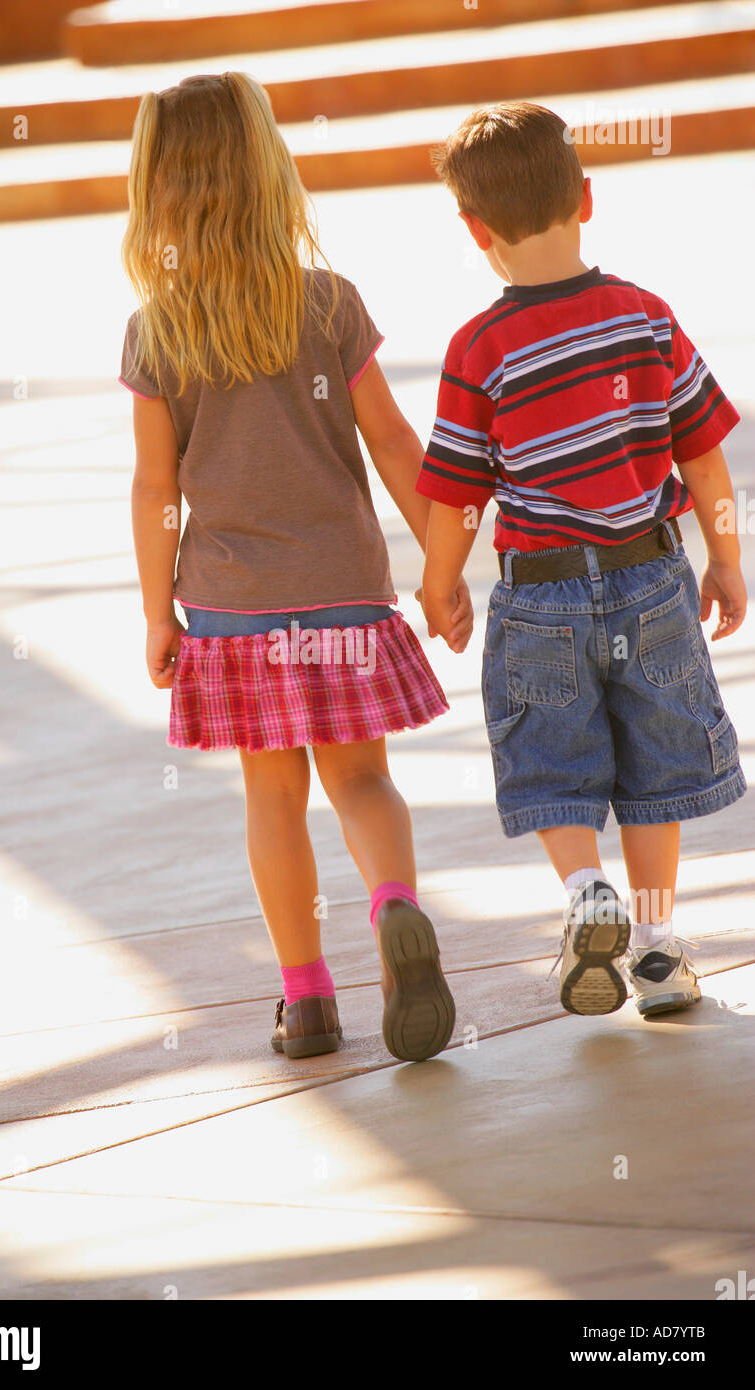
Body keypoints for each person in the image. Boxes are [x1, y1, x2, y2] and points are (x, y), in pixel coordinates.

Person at [120, 72, 463, 1062]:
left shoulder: (156, 332)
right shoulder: (328, 303)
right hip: (344, 591)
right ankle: (393, 907)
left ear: (158, 193)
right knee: (360, 779)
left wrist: (157, 614)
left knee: (271, 798)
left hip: (231, 607)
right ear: (269, 172)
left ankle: (306, 998)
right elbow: (399, 446)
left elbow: (155, 492)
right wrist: (440, 565)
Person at [418, 101, 746, 1018]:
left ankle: (582, 893)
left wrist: (439, 584)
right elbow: (705, 453)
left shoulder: (479, 348)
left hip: (542, 596)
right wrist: (726, 555)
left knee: (552, 761)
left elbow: (456, 493)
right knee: (656, 769)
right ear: (587, 199)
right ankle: (654, 948)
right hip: (651, 579)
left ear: (474, 229)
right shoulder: (644, 315)